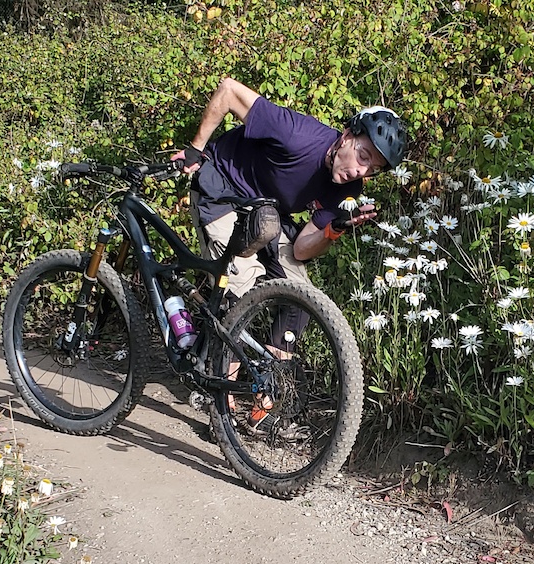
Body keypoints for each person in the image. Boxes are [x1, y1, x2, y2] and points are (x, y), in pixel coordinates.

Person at [172, 77, 407, 433]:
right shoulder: (297, 134)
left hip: (264, 211)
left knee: (300, 295)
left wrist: (335, 228)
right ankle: (222, 406)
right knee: (241, 291)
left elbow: (301, 248)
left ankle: (264, 398)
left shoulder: (350, 187)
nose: (361, 170)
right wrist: (196, 148)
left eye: (371, 168)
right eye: (362, 155)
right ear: (346, 136)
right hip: (220, 188)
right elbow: (229, 90)